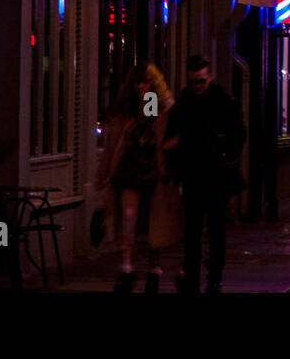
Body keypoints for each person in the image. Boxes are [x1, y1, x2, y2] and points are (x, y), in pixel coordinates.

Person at [97, 65, 181, 293]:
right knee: (128, 217)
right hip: (129, 167)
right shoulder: (125, 108)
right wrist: (104, 175)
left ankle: (153, 268)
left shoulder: (160, 106)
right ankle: (127, 267)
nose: (140, 87)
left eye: (145, 83)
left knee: (155, 221)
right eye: (137, 83)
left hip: (155, 169)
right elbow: (113, 142)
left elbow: (154, 124)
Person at [163, 56, 244, 294]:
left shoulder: (221, 101)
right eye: (193, 81)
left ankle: (214, 276)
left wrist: (227, 155)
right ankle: (193, 276)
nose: (196, 86)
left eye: (200, 81)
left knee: (216, 228)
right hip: (193, 174)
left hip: (216, 173)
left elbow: (238, 132)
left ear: (209, 77)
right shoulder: (184, 103)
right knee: (193, 230)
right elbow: (173, 135)